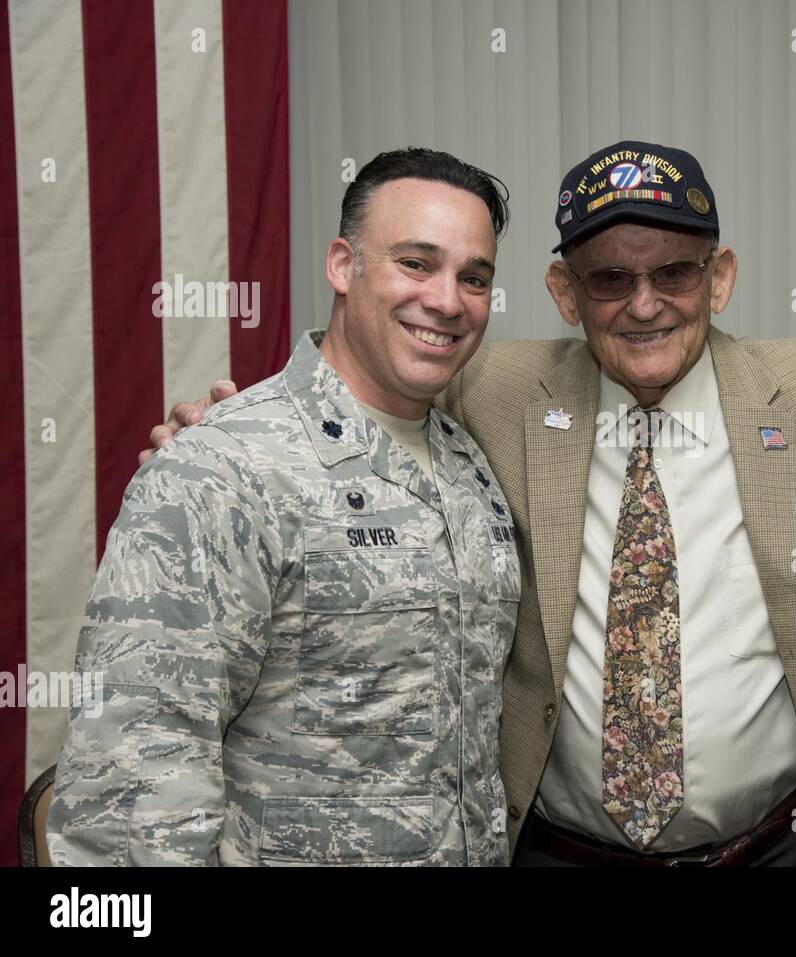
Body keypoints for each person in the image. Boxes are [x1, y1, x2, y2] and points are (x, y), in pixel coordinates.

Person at [146, 141, 796, 866]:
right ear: (564, 292)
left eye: (675, 273)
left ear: (718, 278)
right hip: (555, 850)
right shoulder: (488, 387)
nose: (645, 303)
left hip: (770, 846)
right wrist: (222, 448)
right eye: (609, 279)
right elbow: (362, 392)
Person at [49, 149, 521, 865]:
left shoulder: (470, 467)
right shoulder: (221, 468)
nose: (448, 300)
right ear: (342, 265)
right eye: (416, 263)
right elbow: (131, 785)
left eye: (474, 276)